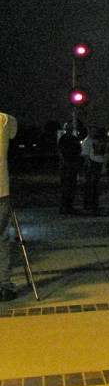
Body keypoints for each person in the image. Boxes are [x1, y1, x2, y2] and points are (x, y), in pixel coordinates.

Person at [0, 111, 18, 301]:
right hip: (1, 190)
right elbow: (13, 131)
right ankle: (3, 284)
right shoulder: (3, 120)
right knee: (2, 239)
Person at [80, 127, 108, 214]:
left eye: (95, 131)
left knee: (96, 186)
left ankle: (94, 205)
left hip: (98, 164)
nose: (94, 132)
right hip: (92, 165)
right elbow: (85, 155)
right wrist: (88, 165)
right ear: (89, 131)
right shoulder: (87, 141)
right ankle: (88, 206)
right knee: (90, 186)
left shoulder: (97, 140)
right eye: (92, 131)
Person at [57, 123, 82, 214]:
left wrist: (76, 163)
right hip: (66, 165)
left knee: (72, 186)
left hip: (73, 164)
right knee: (65, 187)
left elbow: (79, 151)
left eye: (71, 129)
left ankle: (70, 206)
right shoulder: (62, 139)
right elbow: (60, 152)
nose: (69, 130)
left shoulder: (75, 139)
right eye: (68, 129)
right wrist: (63, 163)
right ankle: (63, 207)